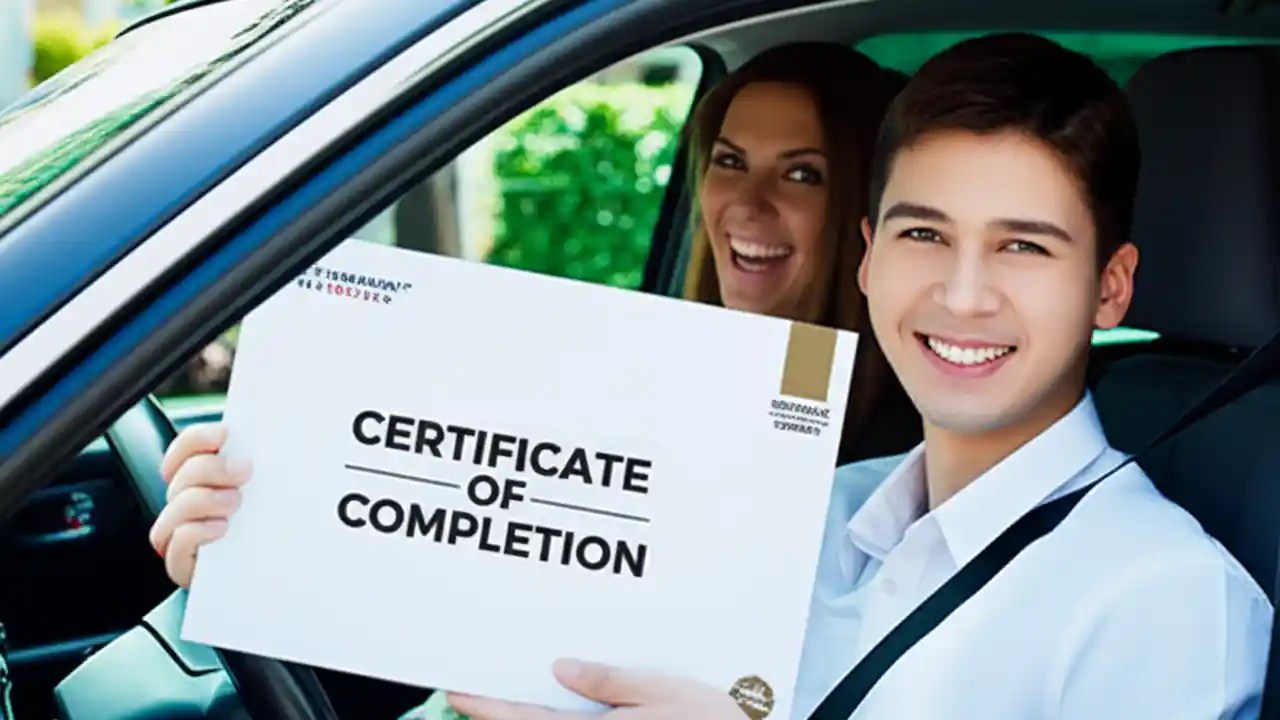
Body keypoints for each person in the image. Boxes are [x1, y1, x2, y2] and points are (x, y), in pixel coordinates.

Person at [149, 32, 1274, 720]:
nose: (963, 295)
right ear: (869, 250)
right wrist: (279, 536)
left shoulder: (1166, 604)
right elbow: (514, 629)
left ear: (1110, 290)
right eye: (925, 236)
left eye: (1023, 247)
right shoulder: (782, 508)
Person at [681, 42, 919, 464]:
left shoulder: (907, 435)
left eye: (801, 174)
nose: (748, 204)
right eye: (731, 162)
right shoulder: (666, 374)